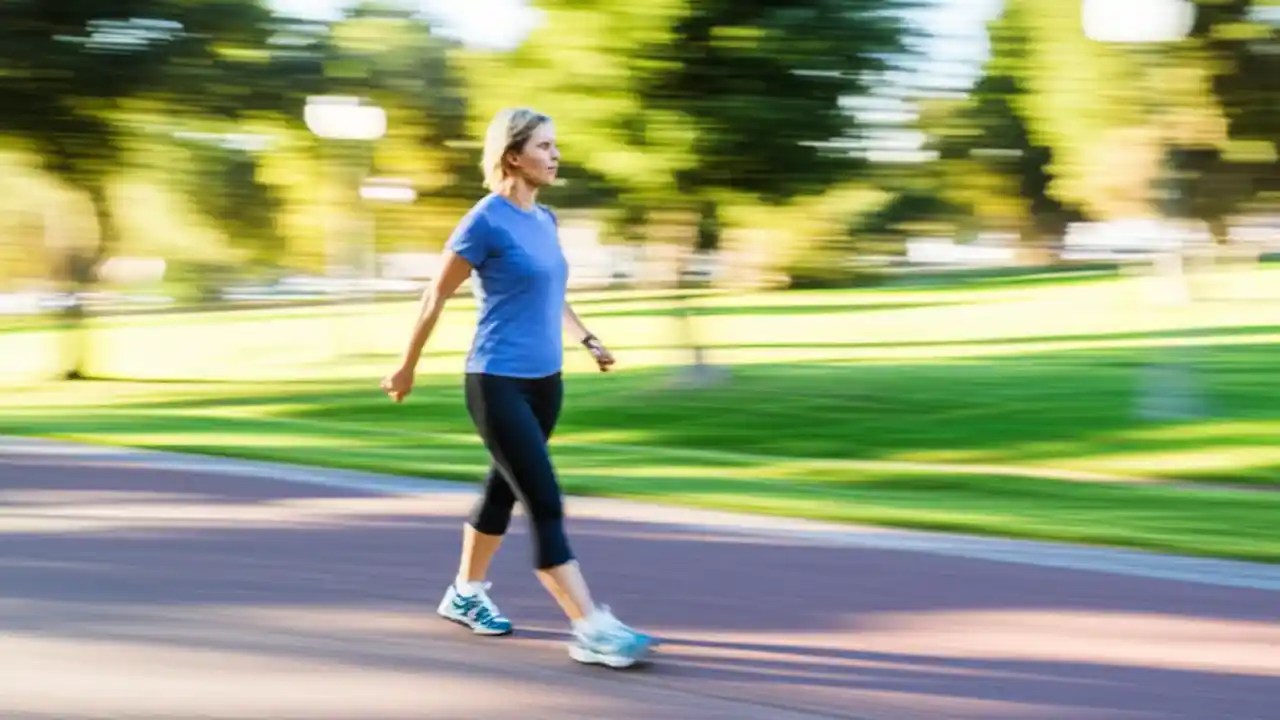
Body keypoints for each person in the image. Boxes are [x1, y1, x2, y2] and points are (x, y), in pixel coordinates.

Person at [380, 107, 656, 669]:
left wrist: (587, 339)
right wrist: (406, 366)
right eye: (545, 147)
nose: (556, 155)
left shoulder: (545, 220)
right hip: (496, 381)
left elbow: (552, 295)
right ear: (513, 156)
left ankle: (464, 593)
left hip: (545, 384)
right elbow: (435, 296)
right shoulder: (484, 221)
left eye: (555, 146)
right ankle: (590, 626)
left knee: (502, 490)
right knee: (544, 500)